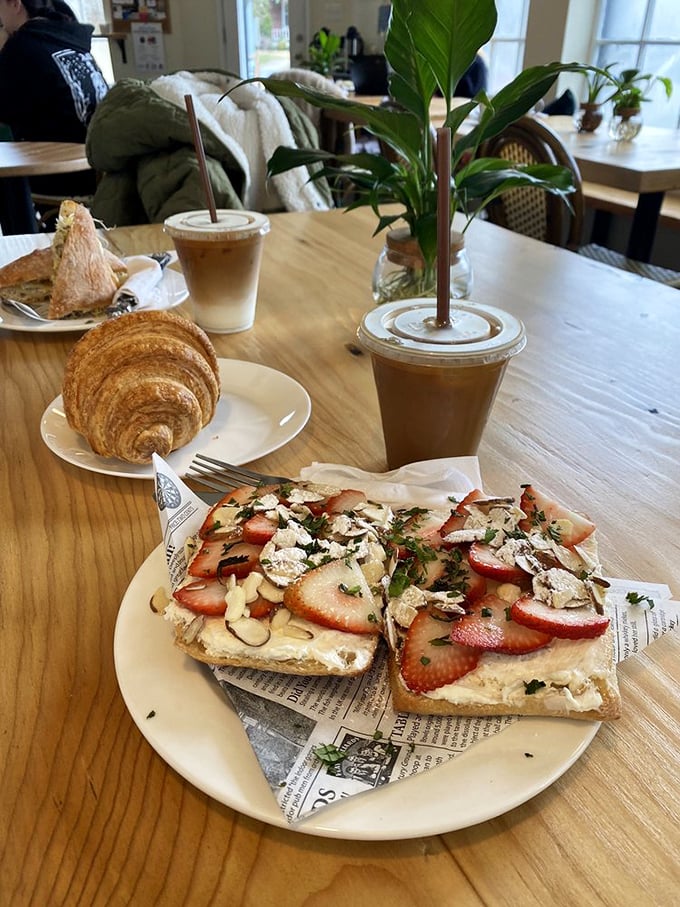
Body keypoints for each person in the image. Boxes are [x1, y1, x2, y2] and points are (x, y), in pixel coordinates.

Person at [0, 0, 108, 202]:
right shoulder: (69, 38)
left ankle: (24, 232)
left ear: (15, 4)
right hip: (102, 168)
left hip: (61, 177)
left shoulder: (22, 46)